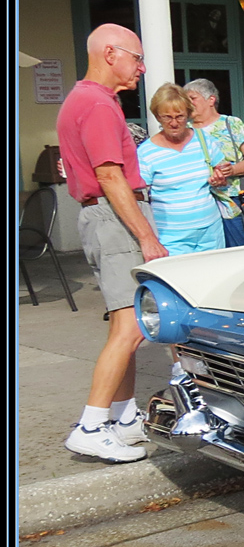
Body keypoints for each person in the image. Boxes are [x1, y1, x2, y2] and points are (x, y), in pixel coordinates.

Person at [56, 24, 168, 463]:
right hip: (113, 215)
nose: (141, 68)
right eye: (136, 58)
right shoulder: (98, 105)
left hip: (103, 214)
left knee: (127, 322)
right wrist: (147, 236)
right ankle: (91, 425)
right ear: (109, 53)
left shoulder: (86, 100)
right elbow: (109, 176)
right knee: (131, 327)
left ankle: (123, 418)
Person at [137, 84, 231, 255]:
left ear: (188, 114)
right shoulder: (146, 152)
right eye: (167, 117)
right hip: (170, 236)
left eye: (180, 116)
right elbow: (140, 196)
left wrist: (220, 178)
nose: (174, 123)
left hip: (210, 230)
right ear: (158, 117)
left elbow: (223, 172)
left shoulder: (203, 139)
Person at [185, 78, 244, 247]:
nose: (187, 103)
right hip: (196, 202)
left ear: (211, 100)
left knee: (237, 252)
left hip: (230, 200)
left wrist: (232, 170)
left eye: (192, 98)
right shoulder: (184, 129)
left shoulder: (231, 124)